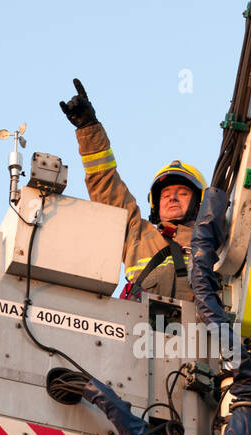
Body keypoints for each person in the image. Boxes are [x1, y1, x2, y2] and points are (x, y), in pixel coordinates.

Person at [60, 78, 202, 300]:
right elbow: (106, 185)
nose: (172, 198)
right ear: (156, 205)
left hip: (203, 334)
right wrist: (89, 129)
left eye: (182, 193)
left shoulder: (221, 247)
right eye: (165, 194)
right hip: (139, 332)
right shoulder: (139, 236)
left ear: (200, 204)